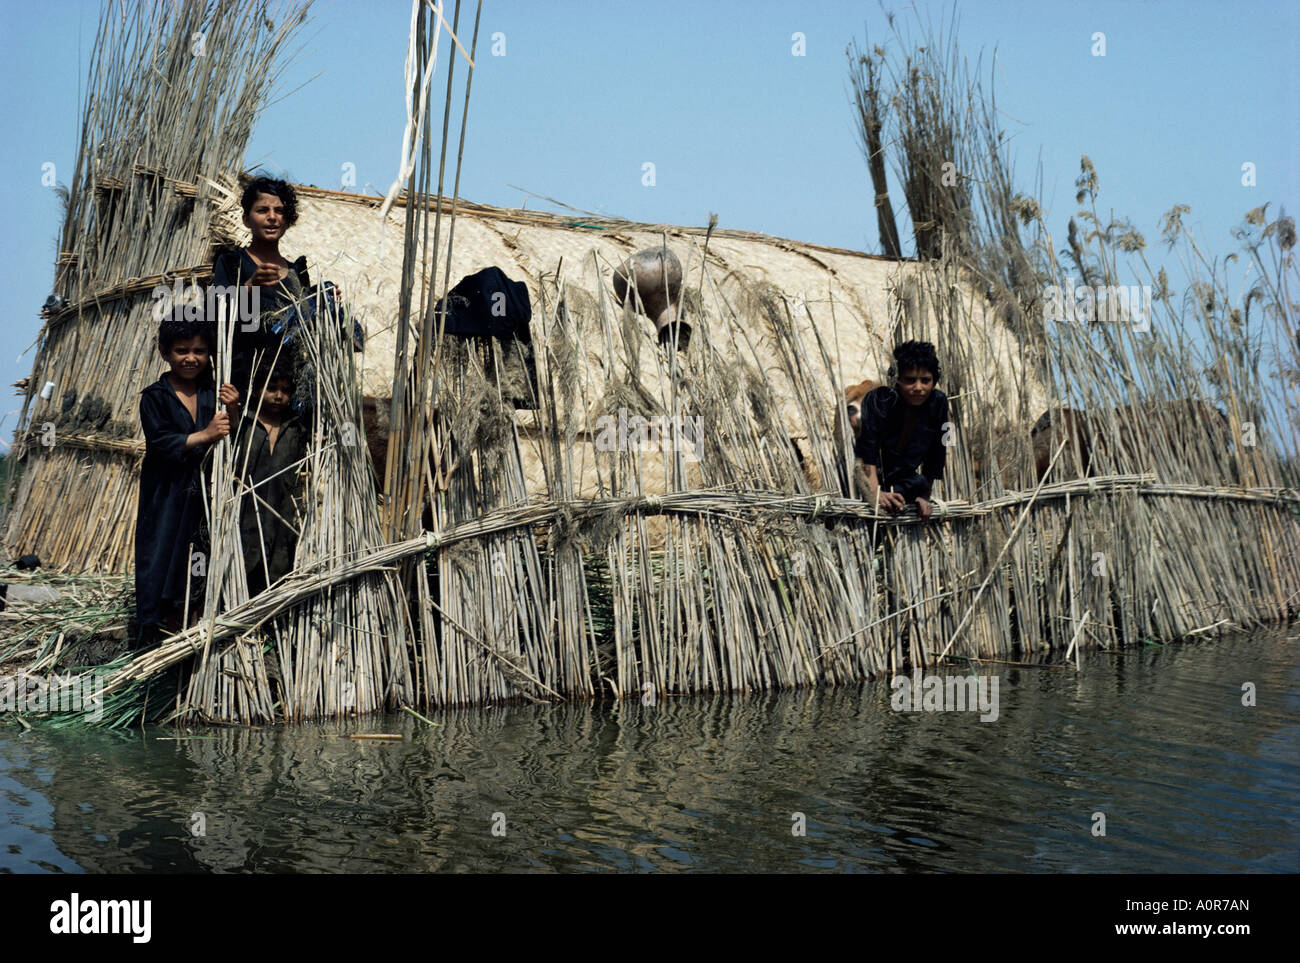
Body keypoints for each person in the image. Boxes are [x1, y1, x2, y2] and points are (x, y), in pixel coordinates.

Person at [134, 313, 240, 645]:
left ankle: (191, 621)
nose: (191, 358)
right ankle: (155, 630)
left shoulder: (214, 391)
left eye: (199, 351)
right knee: (161, 553)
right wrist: (204, 435)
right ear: (165, 353)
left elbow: (231, 433)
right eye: (182, 350)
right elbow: (161, 442)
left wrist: (233, 408)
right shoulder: (155, 396)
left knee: (199, 554)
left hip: (205, 490)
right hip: (166, 493)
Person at [212, 175, 311, 402]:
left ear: (288, 220)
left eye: (279, 211)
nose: (272, 217)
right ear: (247, 219)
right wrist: (249, 287)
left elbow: (305, 329)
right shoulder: (232, 263)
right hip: (243, 384)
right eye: (262, 210)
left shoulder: (298, 272)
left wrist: (325, 303)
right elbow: (215, 314)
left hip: (286, 387)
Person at [233, 360, 308, 597]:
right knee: (244, 556)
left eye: (286, 391)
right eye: (272, 388)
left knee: (278, 561)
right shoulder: (245, 423)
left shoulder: (296, 429)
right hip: (245, 507)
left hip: (282, 508)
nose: (279, 396)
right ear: (256, 390)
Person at [853, 340, 949, 521]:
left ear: (934, 381)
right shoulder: (878, 400)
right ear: (897, 381)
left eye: (925, 381)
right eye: (910, 380)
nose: (918, 388)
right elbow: (868, 452)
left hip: (907, 481)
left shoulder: (940, 402)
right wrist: (877, 494)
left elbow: (940, 449)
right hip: (870, 479)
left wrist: (925, 496)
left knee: (916, 484)